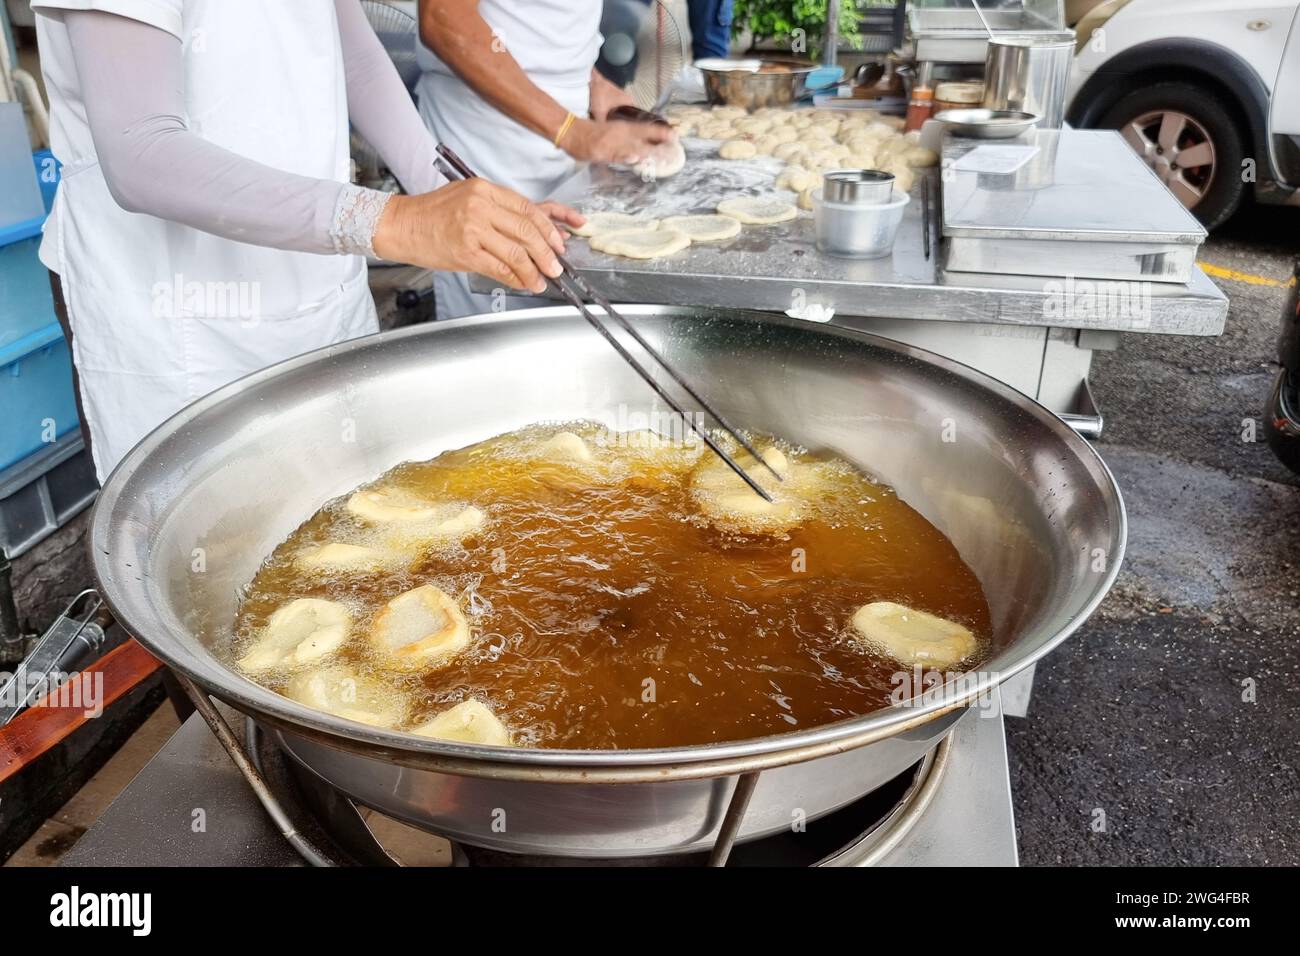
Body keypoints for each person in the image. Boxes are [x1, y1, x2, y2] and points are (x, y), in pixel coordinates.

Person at [30, 0, 581, 481]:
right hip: (178, 312)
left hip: (314, 283)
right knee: (210, 562)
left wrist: (453, 195)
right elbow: (140, 153)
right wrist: (394, 222)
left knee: (350, 524)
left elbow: (358, 61)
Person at [416, 0, 676, 319]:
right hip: (487, 132)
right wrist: (570, 132)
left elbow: (542, 20)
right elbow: (445, 19)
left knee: (551, 294)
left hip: (559, 130)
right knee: (496, 313)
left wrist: (591, 81)